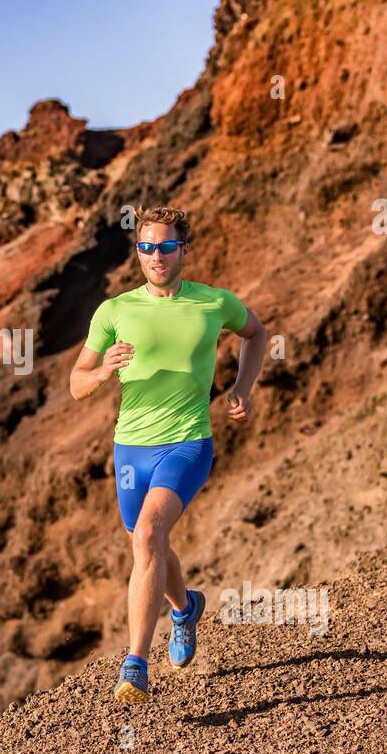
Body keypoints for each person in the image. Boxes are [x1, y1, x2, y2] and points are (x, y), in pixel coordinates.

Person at [68, 206, 267, 703]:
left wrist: (242, 385)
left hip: (188, 441)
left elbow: (257, 334)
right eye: (147, 247)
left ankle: (135, 663)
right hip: (130, 449)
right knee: (145, 543)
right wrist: (101, 372)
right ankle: (185, 608)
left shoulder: (214, 303)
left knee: (152, 533)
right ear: (138, 251)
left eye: (166, 246)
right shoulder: (113, 312)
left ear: (184, 250)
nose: (156, 256)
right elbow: (76, 383)